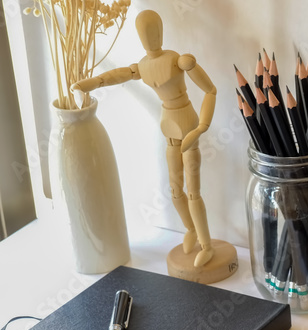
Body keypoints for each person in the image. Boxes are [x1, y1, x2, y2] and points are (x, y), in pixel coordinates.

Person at [74, 9, 217, 267]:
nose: (149, 38)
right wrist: (90, 83)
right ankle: (190, 229)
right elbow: (115, 75)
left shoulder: (178, 60)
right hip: (168, 127)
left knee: (193, 192)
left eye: (153, 32)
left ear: (161, 32)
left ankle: (206, 245)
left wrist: (201, 127)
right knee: (175, 190)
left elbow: (210, 90)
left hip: (187, 124)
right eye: (144, 33)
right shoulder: (142, 66)